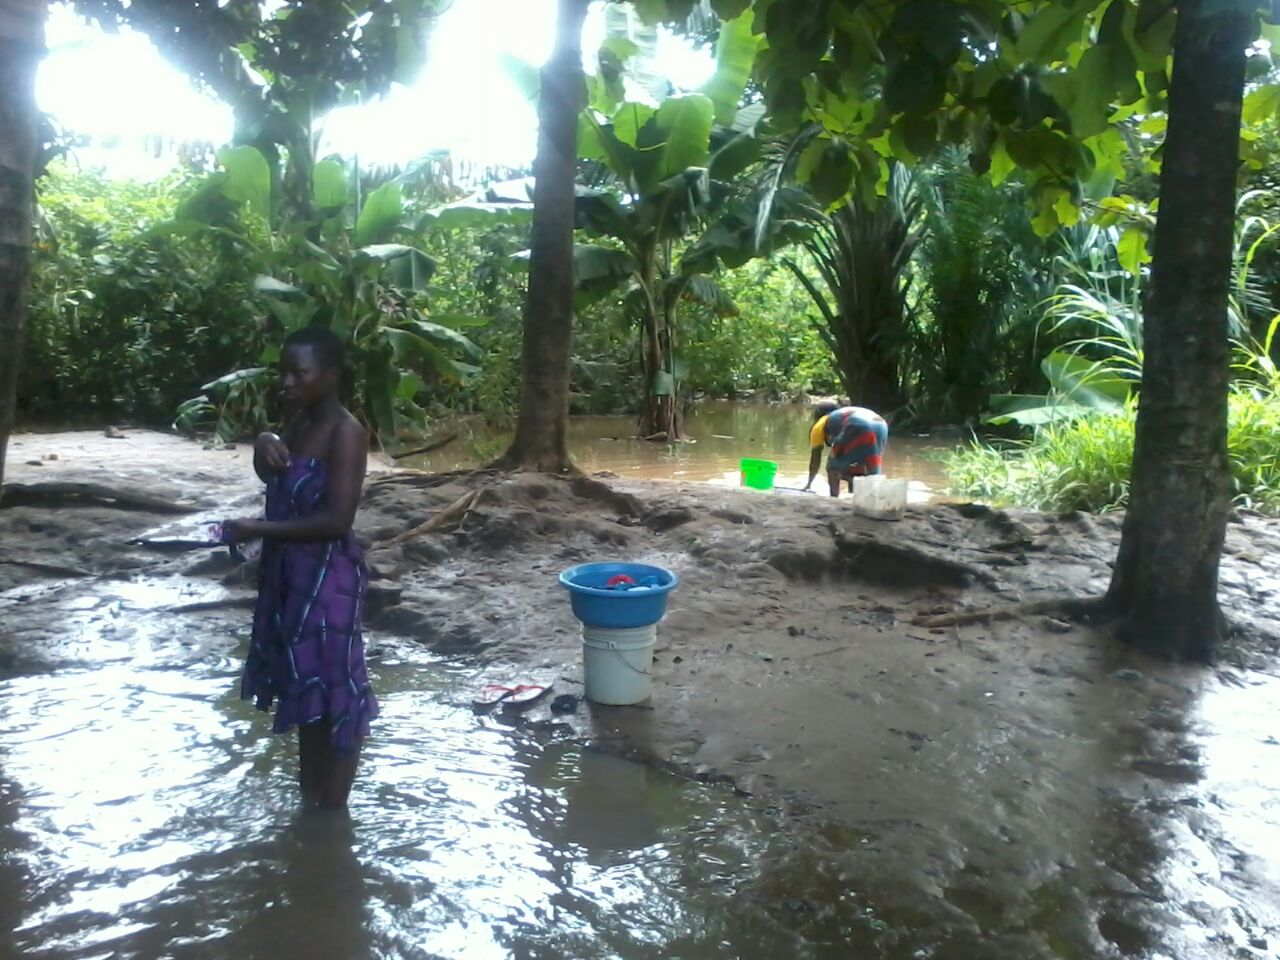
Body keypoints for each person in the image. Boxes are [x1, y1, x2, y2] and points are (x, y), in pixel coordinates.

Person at [221, 326, 377, 809]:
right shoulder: (299, 421)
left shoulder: (346, 432)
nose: (286, 381)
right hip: (291, 579)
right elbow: (274, 472)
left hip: (327, 583)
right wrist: (262, 441)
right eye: (283, 371)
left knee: (336, 700)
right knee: (308, 696)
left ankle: (333, 814)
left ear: (330, 376)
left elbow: (337, 519)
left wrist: (257, 530)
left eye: (299, 372)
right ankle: (313, 808)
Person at [802, 401, 888, 497]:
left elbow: (815, 459)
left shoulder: (820, 424)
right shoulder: (841, 415)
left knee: (833, 466)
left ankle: (834, 498)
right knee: (866, 466)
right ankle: (860, 497)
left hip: (856, 424)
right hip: (881, 425)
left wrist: (809, 484)